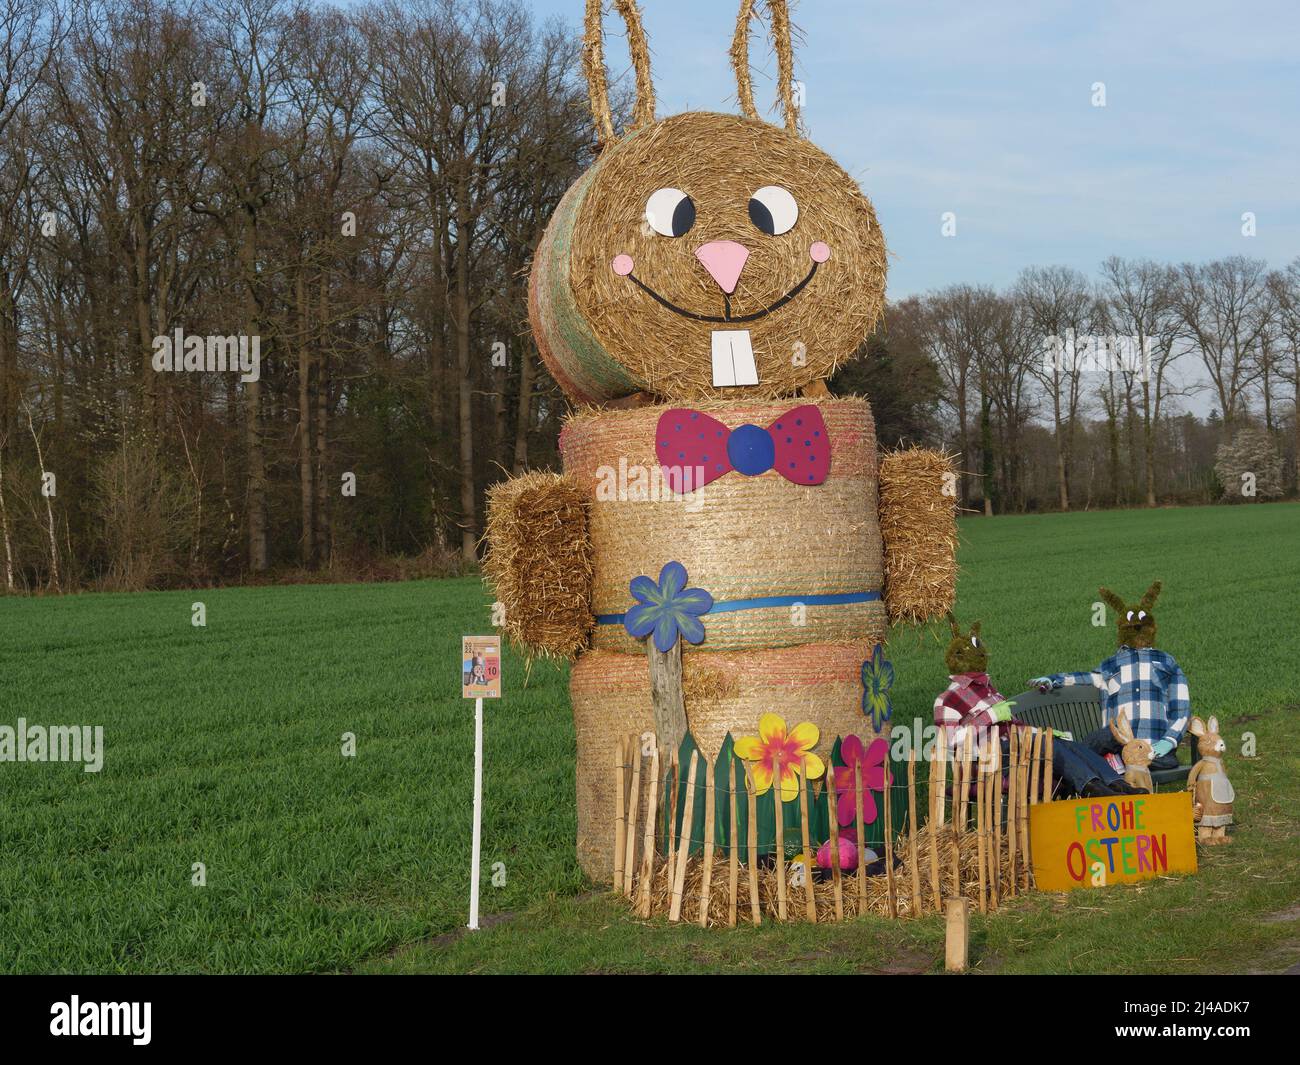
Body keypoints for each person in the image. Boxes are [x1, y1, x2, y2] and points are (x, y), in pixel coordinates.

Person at [939, 615, 1144, 798]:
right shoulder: (947, 700)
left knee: (1064, 743)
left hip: (1017, 750)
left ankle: (1116, 784)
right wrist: (990, 716)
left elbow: (1014, 727)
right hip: (990, 761)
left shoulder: (988, 689)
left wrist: (1044, 732)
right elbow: (951, 741)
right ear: (954, 659)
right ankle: (1093, 788)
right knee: (1047, 744)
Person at [1029, 582, 1188, 780]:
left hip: (1152, 749)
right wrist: (1053, 680)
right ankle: (1086, 760)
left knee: (1163, 760)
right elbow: (1085, 678)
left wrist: (1168, 741)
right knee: (1100, 739)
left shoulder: (1166, 662)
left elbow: (1181, 710)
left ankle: (1116, 762)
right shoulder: (1111, 665)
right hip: (1117, 743)